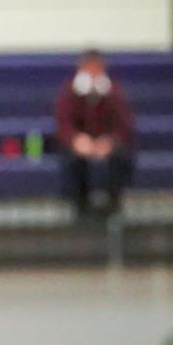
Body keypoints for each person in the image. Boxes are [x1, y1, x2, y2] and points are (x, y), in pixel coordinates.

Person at [55, 49, 135, 218]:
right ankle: (80, 205)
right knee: (72, 160)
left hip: (106, 143)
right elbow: (64, 123)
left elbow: (124, 124)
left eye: (96, 69)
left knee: (123, 157)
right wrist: (77, 140)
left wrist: (110, 142)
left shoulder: (114, 91)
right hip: (79, 144)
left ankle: (113, 203)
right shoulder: (69, 92)